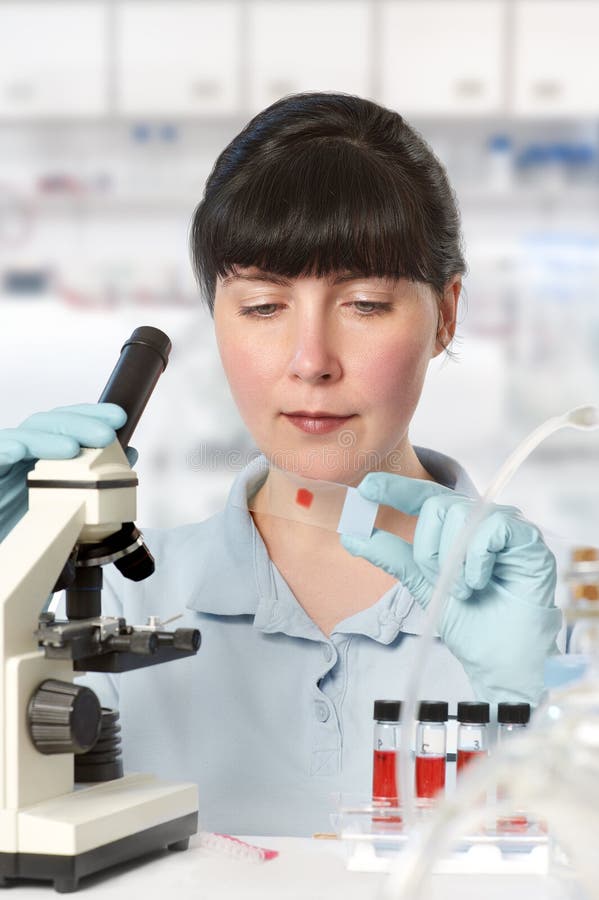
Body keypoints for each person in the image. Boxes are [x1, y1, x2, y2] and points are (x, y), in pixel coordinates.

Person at [0, 93, 561, 836]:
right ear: (215, 318)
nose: (310, 363)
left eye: (363, 303)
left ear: (446, 315)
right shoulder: (116, 602)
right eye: (263, 306)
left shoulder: (543, 615)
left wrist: (544, 706)